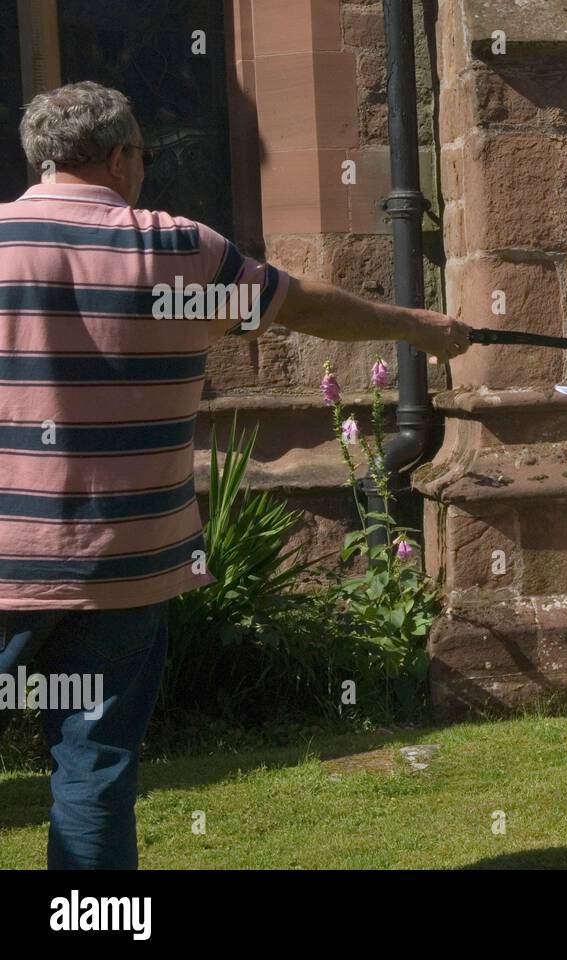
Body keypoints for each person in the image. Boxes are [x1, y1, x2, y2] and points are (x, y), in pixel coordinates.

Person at [0, 81, 472, 868]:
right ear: (120, 157)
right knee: (96, 771)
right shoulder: (181, 252)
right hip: (127, 563)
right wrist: (414, 325)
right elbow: (303, 307)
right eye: (143, 156)